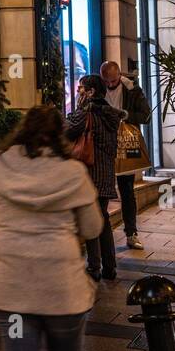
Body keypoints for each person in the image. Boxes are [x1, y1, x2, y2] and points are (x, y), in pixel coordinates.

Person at [0, 105, 102, 351]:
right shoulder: (73, 173)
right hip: (63, 290)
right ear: (60, 133)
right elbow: (92, 228)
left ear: (22, 129)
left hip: (12, 289)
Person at [66, 74, 125, 281]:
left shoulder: (86, 114)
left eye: (81, 88)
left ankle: (94, 267)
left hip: (90, 176)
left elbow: (67, 128)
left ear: (91, 92)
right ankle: (110, 267)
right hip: (105, 176)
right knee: (103, 220)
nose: (78, 91)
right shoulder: (111, 115)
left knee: (91, 221)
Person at [100, 61, 150, 250]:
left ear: (119, 75)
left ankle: (131, 233)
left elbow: (145, 116)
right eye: (107, 81)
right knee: (103, 191)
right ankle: (102, 235)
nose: (110, 85)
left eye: (113, 81)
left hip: (126, 144)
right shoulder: (99, 88)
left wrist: (124, 115)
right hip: (104, 144)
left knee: (127, 190)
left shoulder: (132, 89)